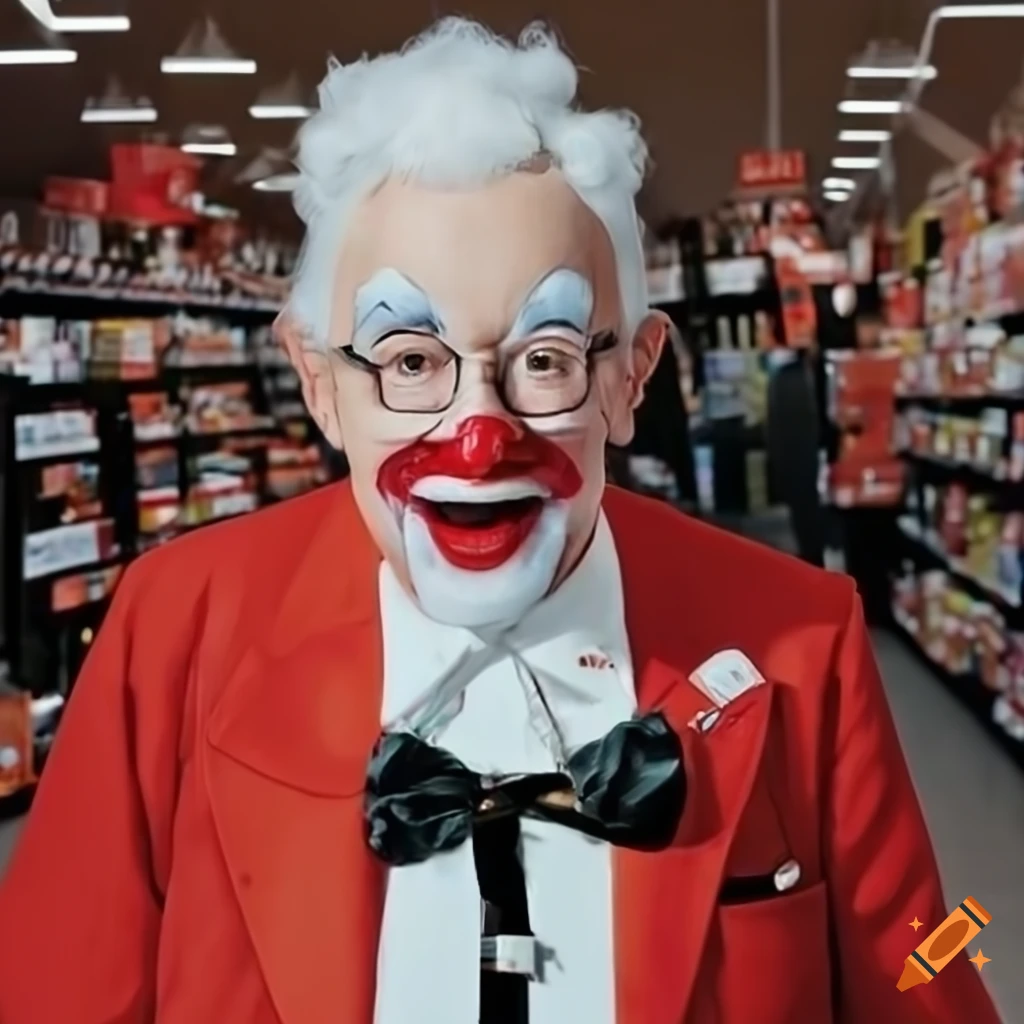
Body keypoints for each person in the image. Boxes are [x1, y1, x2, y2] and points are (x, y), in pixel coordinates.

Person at [0, 20, 1000, 1024]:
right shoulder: (174, 631)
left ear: (628, 379)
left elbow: (921, 977)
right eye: (407, 362)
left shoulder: (801, 639)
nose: (478, 436)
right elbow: (58, 988)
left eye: (546, 356)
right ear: (318, 383)